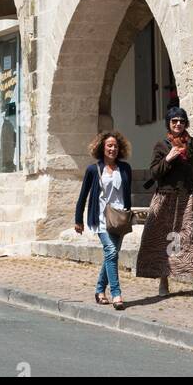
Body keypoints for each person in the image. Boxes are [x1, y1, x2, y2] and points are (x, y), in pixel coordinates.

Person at [135, 106, 193, 298]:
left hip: (187, 197)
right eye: (174, 121)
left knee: (190, 238)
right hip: (165, 197)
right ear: (169, 123)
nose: (178, 124)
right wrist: (168, 158)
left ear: (186, 123)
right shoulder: (162, 145)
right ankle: (163, 281)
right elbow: (155, 173)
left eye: (182, 121)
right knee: (161, 238)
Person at [74, 131, 132, 309]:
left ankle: (100, 290)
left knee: (111, 255)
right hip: (100, 218)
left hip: (119, 217)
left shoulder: (125, 168)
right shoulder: (93, 169)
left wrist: (128, 213)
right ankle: (117, 294)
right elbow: (83, 196)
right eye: (109, 145)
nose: (113, 148)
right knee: (112, 252)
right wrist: (78, 220)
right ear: (102, 147)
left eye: (115, 146)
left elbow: (126, 193)